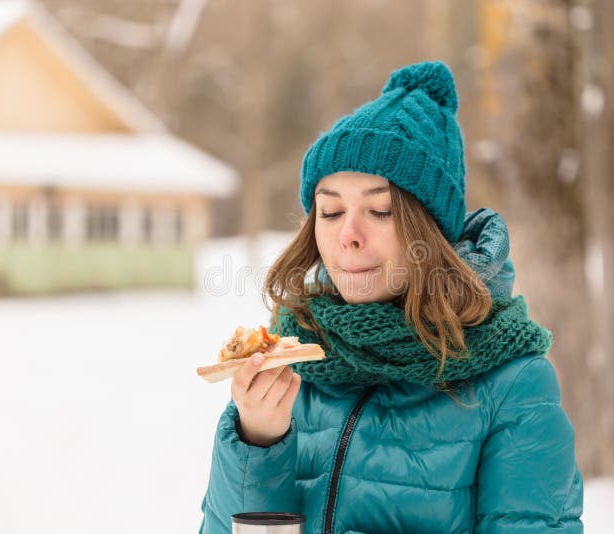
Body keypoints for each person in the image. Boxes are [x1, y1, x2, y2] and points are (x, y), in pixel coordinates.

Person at [199, 60, 584, 533]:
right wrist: (258, 443)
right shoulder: (290, 361)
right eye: (331, 210)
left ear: (432, 231)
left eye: (379, 210)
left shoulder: (512, 385)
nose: (349, 236)